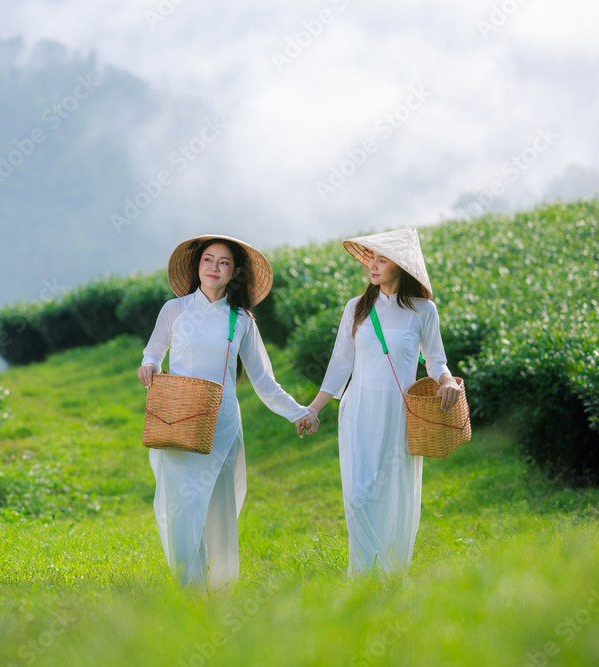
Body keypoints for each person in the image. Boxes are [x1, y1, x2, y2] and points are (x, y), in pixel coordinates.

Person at [138, 235, 319, 595]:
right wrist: (150, 365)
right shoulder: (175, 309)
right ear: (197, 265)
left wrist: (299, 412)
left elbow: (263, 380)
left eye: (224, 263)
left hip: (220, 425)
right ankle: (189, 588)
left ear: (234, 273)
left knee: (217, 506)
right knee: (182, 504)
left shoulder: (241, 320)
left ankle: (218, 587)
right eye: (208, 259)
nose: (214, 268)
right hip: (178, 419)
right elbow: (154, 351)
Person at [305, 228, 460, 577]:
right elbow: (340, 365)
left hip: (400, 414)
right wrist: (314, 408)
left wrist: (447, 380)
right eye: (370, 258)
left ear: (401, 266)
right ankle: (362, 575)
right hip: (359, 411)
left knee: (395, 492)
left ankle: (391, 574)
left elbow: (435, 360)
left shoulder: (424, 310)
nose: (372, 266)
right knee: (358, 495)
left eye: (382, 259)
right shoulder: (356, 307)